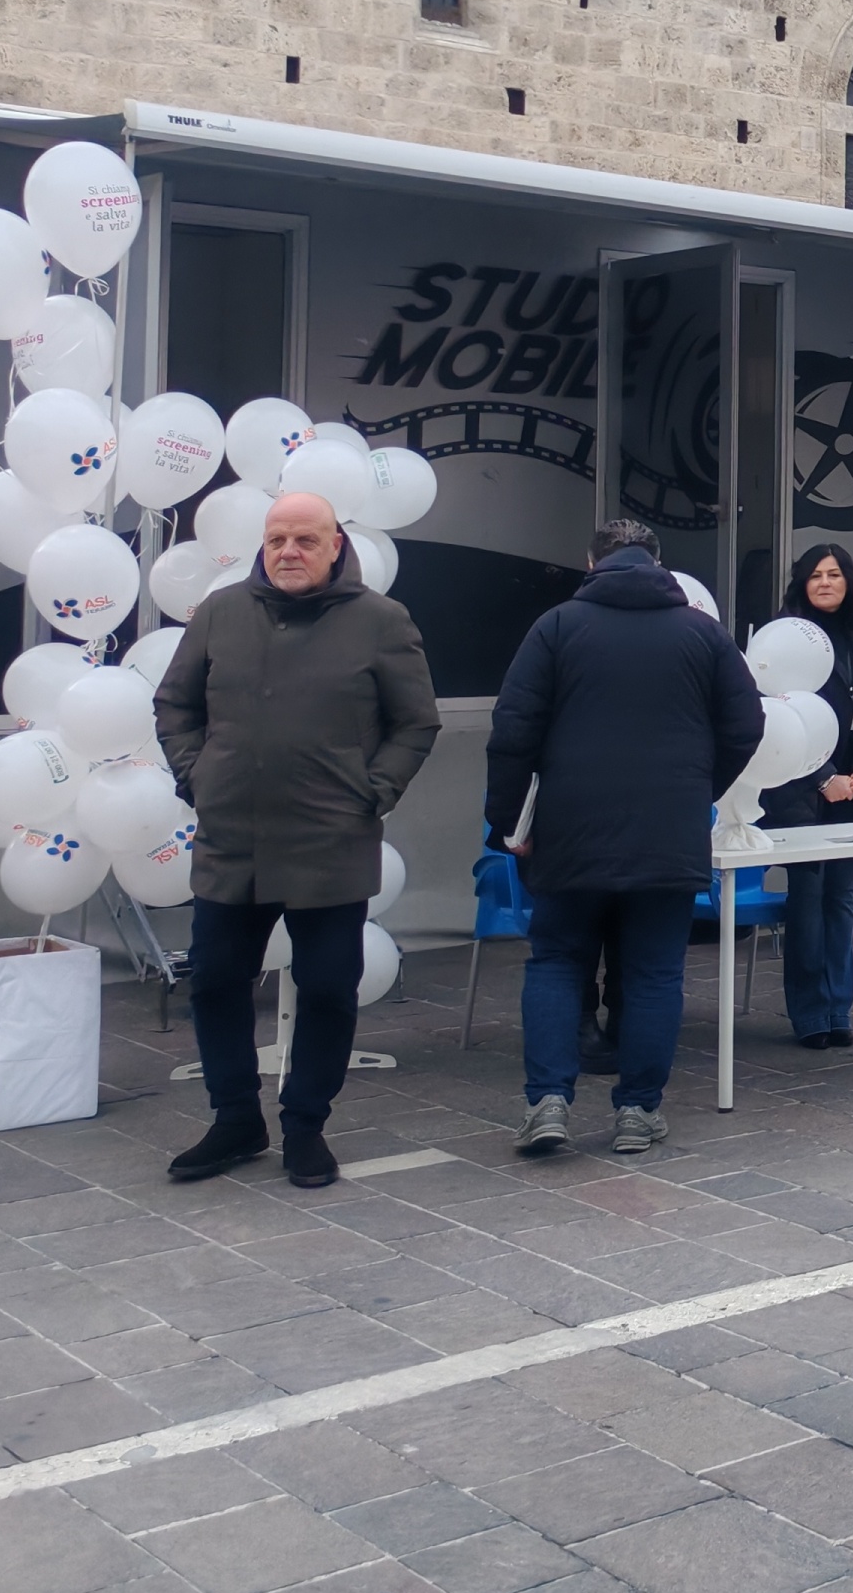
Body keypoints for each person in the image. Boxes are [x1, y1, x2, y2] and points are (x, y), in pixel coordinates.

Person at [156, 491, 440, 1189]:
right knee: (217, 982)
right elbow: (175, 704)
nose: (289, 552)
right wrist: (201, 778)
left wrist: (370, 794)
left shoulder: (380, 622)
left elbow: (416, 723)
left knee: (327, 990)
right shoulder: (222, 613)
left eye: (305, 540)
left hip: (329, 845)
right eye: (277, 538)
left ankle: (306, 1126)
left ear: (336, 545)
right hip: (231, 842)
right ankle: (235, 1119)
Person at [485, 519, 763, 1157]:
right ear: (659, 563)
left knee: (556, 963)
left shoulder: (555, 627)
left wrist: (510, 824)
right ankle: (638, 1111)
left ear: (592, 562)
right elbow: (747, 723)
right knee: (655, 973)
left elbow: (513, 730)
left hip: (569, 830)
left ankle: (548, 1101)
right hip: (668, 831)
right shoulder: (703, 633)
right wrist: (700, 785)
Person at [762, 543, 853, 1050]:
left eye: (835, 574)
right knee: (808, 899)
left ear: (850, 582)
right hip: (804, 792)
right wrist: (824, 777)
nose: (825, 583)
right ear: (802, 583)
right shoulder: (782, 640)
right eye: (816, 575)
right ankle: (810, 1017)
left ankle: (838, 1009)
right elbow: (777, 718)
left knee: (841, 900)